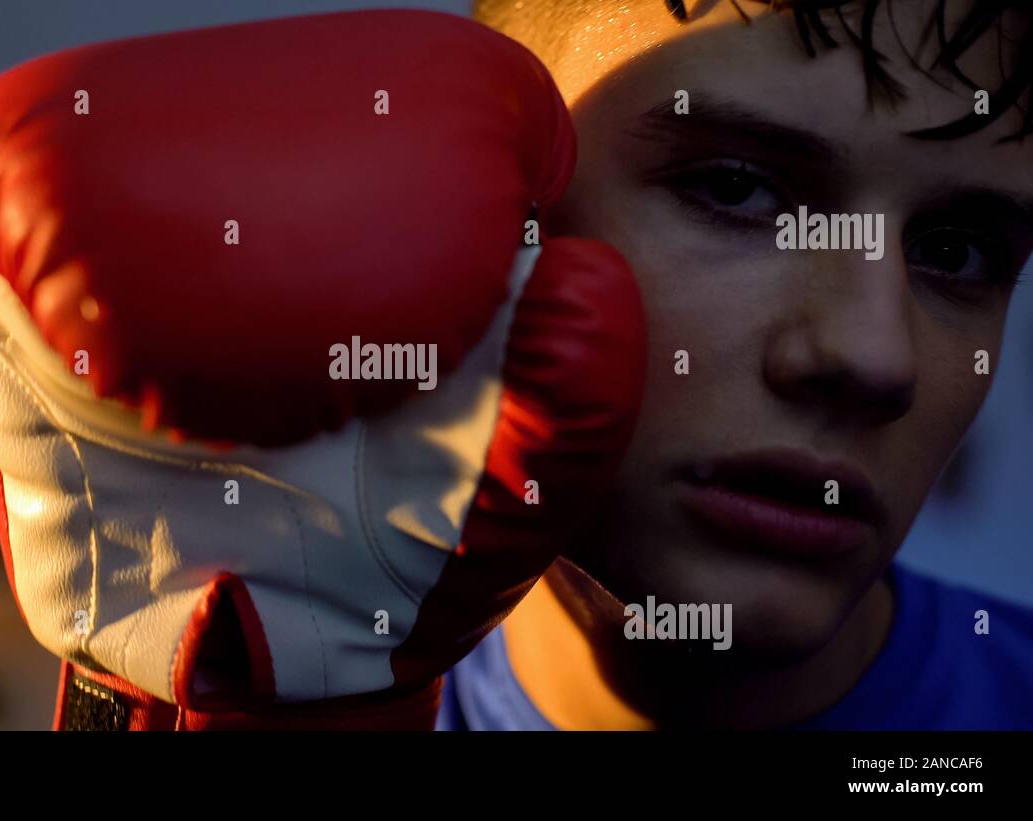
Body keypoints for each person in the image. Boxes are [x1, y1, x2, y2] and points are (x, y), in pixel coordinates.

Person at [439, 0, 1033, 730]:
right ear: (478, 203)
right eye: (734, 188)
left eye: (955, 251)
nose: (874, 356)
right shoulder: (294, 676)